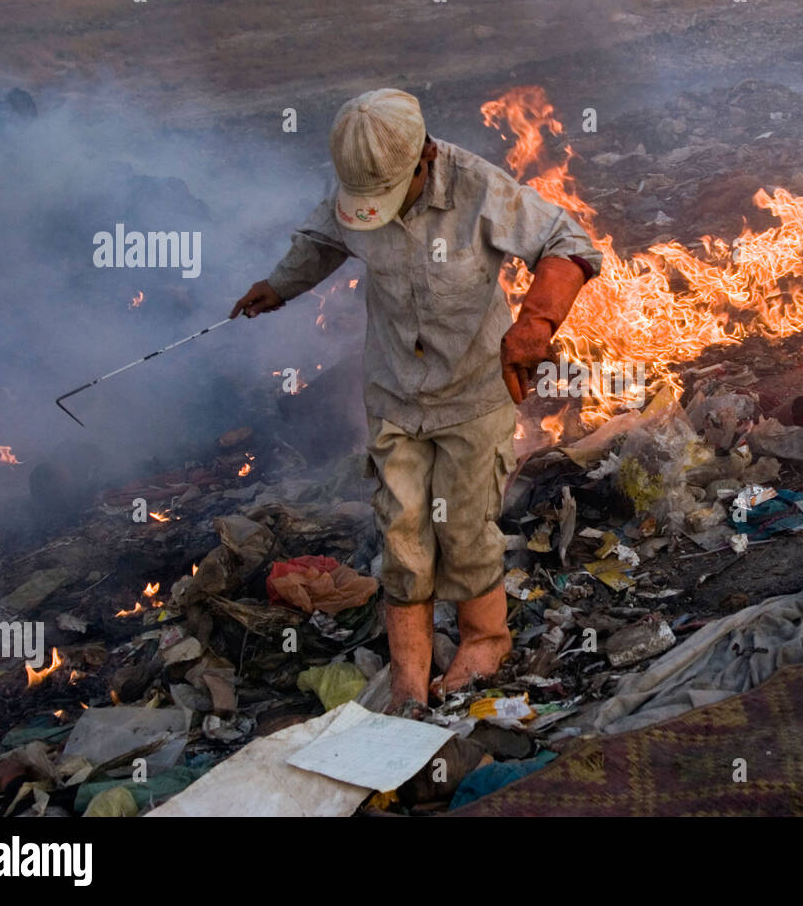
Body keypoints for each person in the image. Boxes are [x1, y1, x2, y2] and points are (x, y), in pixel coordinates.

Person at [231, 89, 600, 712]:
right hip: (396, 395)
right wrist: (279, 285)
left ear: (424, 159)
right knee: (401, 531)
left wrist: (535, 325)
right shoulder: (358, 191)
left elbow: (570, 244)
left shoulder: (478, 188)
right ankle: (410, 674)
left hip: (474, 393)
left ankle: (486, 640)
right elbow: (322, 242)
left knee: (461, 524)